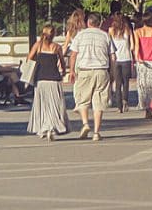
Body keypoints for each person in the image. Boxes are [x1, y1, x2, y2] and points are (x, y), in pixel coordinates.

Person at [68, 12, 113, 141]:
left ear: (88, 22)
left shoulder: (80, 35)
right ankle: (96, 132)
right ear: (100, 23)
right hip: (101, 70)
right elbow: (113, 57)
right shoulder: (105, 36)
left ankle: (85, 123)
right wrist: (112, 72)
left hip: (85, 69)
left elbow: (73, 54)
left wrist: (71, 70)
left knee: (82, 99)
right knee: (99, 102)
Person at [26, 24, 68, 140]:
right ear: (53, 34)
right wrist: (63, 71)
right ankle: (52, 127)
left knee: (42, 105)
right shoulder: (56, 47)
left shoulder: (38, 46)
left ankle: (43, 128)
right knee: (55, 105)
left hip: (41, 79)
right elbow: (63, 63)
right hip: (54, 79)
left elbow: (29, 58)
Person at [133, 11, 152, 119]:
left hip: (142, 61)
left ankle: (147, 110)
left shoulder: (137, 31)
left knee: (143, 87)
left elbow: (137, 46)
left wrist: (137, 57)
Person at [108, 14, 134, 112]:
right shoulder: (128, 30)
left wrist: (112, 54)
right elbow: (132, 46)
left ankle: (119, 107)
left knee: (117, 83)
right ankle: (125, 101)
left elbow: (110, 44)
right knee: (126, 82)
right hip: (127, 58)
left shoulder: (111, 30)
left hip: (116, 59)